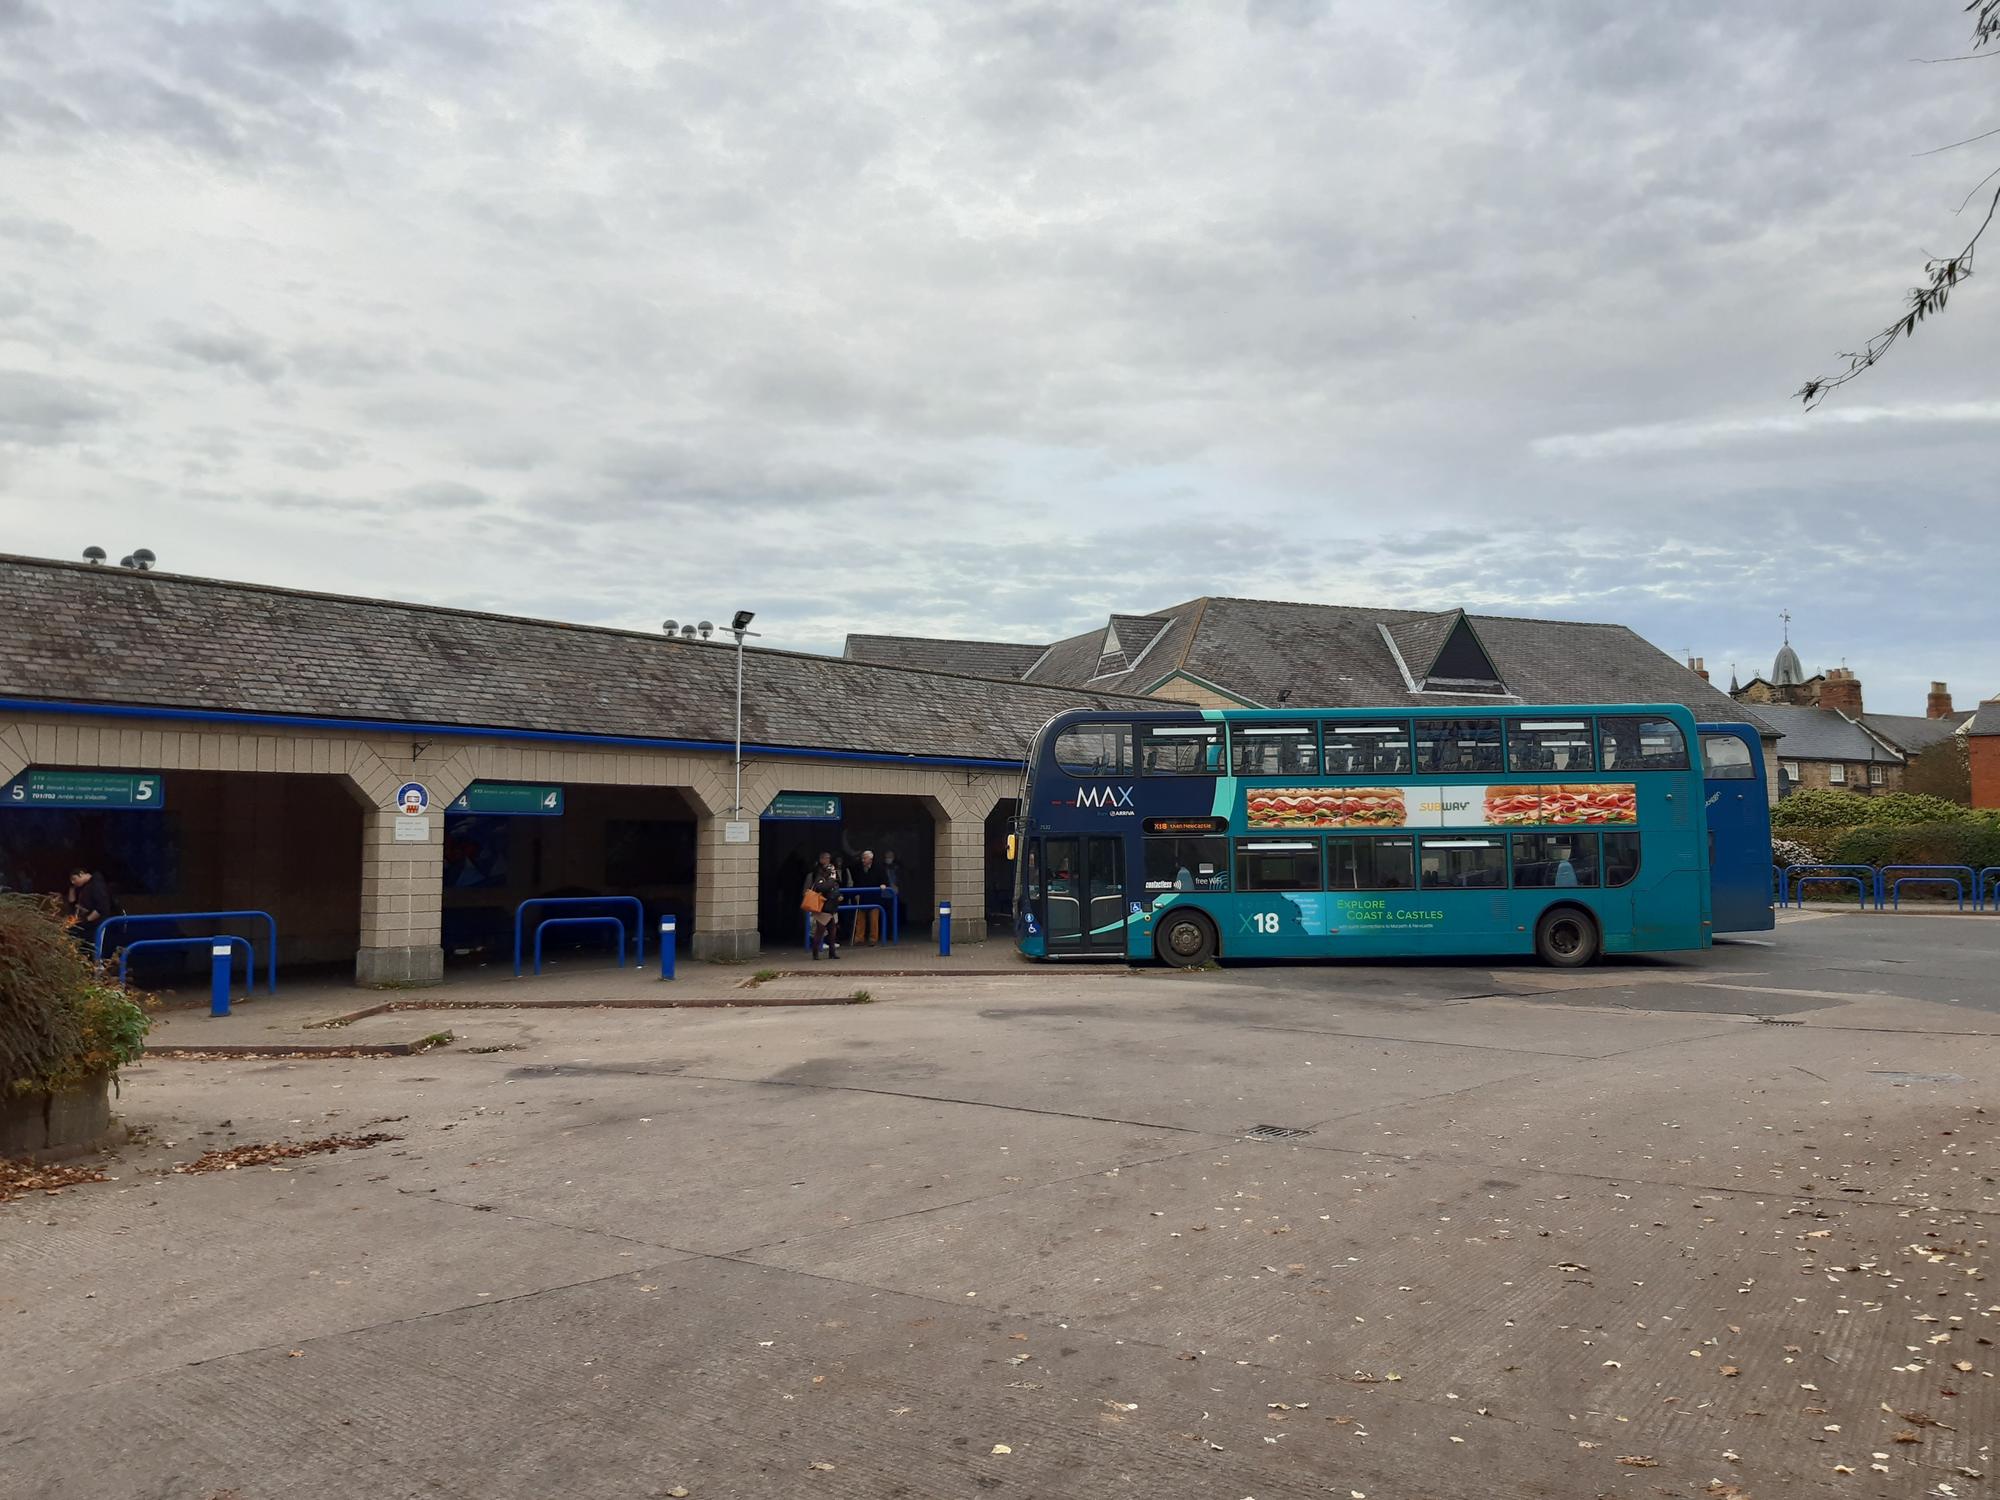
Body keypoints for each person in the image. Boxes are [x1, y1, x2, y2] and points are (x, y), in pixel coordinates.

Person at [804, 851, 844, 960]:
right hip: (823, 907)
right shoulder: (818, 874)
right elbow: (822, 888)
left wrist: (839, 895)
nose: (828, 861)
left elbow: (835, 887)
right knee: (820, 931)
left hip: (831, 906)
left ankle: (832, 952)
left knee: (832, 930)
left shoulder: (832, 877)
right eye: (826, 858)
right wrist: (831, 880)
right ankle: (815, 953)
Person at [65, 866, 116, 948]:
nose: (73, 882)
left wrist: (86, 920)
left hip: (96, 925)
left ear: (81, 874)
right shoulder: (83, 888)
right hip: (88, 923)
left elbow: (101, 908)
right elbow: (72, 903)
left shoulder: (96, 884)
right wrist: (72, 888)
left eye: (74, 879)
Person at [851, 849, 884, 946]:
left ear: (871, 859)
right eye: (862, 858)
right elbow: (855, 882)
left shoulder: (879, 868)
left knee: (874, 920)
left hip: (874, 897)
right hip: (862, 897)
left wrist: (883, 885)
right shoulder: (858, 868)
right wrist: (855, 894)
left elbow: (884, 880)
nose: (863, 860)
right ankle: (859, 938)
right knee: (860, 919)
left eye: (865, 858)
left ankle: (873, 939)